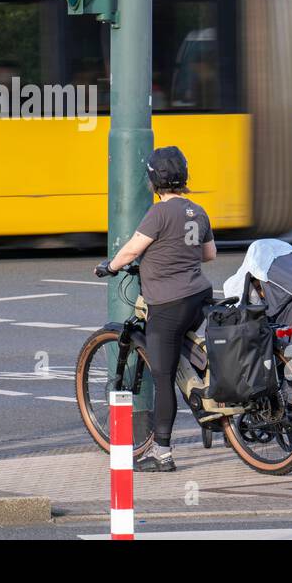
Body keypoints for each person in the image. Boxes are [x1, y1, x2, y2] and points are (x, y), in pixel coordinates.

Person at [95, 147, 216, 472]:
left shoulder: (158, 214)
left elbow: (132, 249)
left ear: (153, 181)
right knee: (185, 349)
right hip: (198, 297)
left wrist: (110, 266)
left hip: (167, 303)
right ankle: (206, 398)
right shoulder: (198, 210)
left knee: (162, 378)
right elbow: (209, 255)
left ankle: (162, 452)